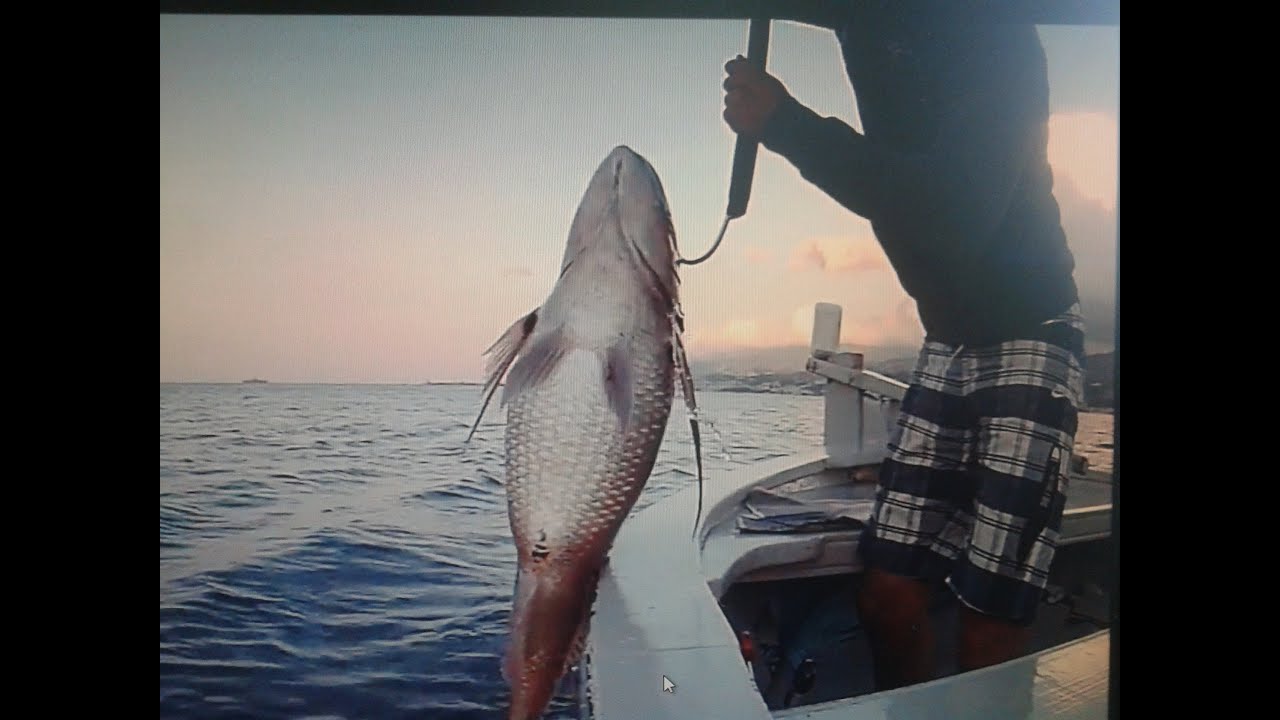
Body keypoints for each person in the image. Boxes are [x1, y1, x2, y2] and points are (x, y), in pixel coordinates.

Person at [721, 4, 1087, 691]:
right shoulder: (862, 16)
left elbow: (948, 212)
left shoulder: (996, 32)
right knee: (886, 593)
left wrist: (786, 125)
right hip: (946, 340)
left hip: (1032, 329)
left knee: (990, 613)